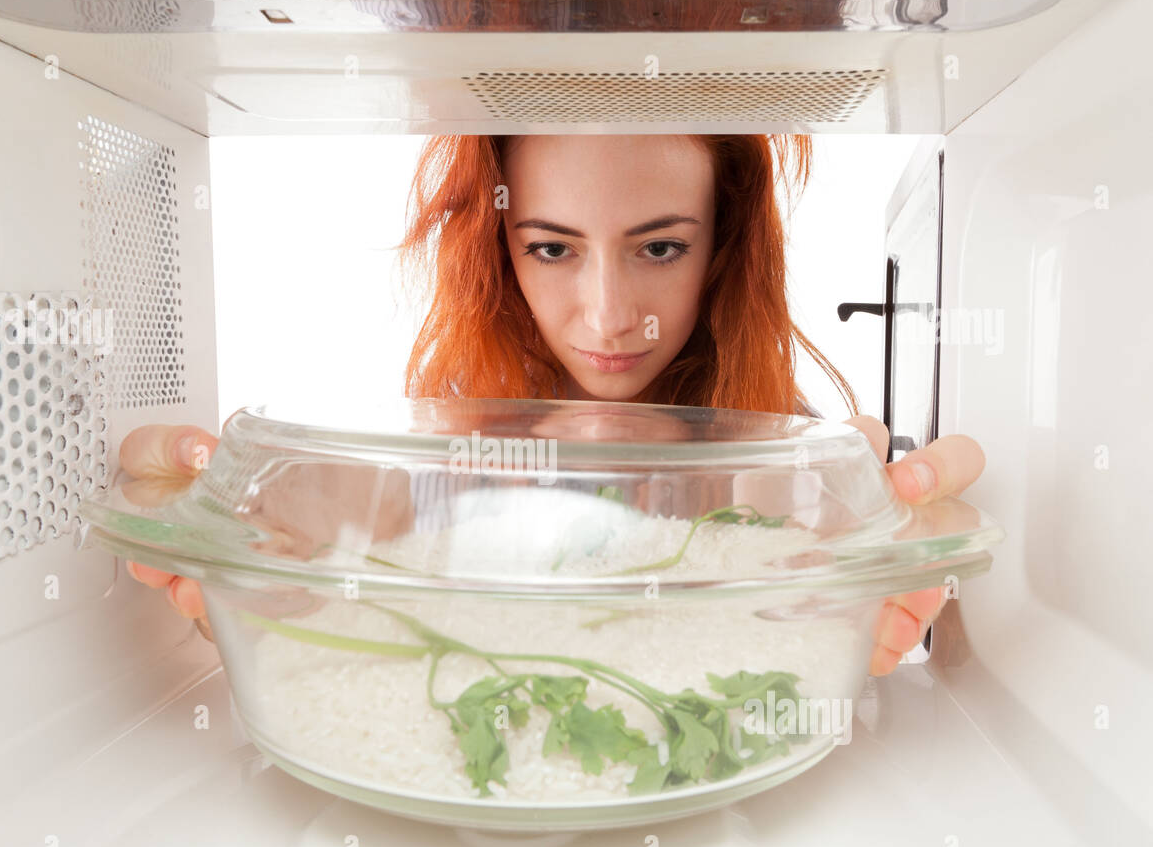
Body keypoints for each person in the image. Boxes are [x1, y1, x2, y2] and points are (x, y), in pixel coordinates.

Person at [123, 134, 985, 677]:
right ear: (496, 249)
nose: (610, 315)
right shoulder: (434, 462)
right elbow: (327, 600)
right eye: (551, 247)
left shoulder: (794, 467)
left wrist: (882, 544)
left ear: (724, 246)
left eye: (659, 246)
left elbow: (816, 654)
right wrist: (244, 577)